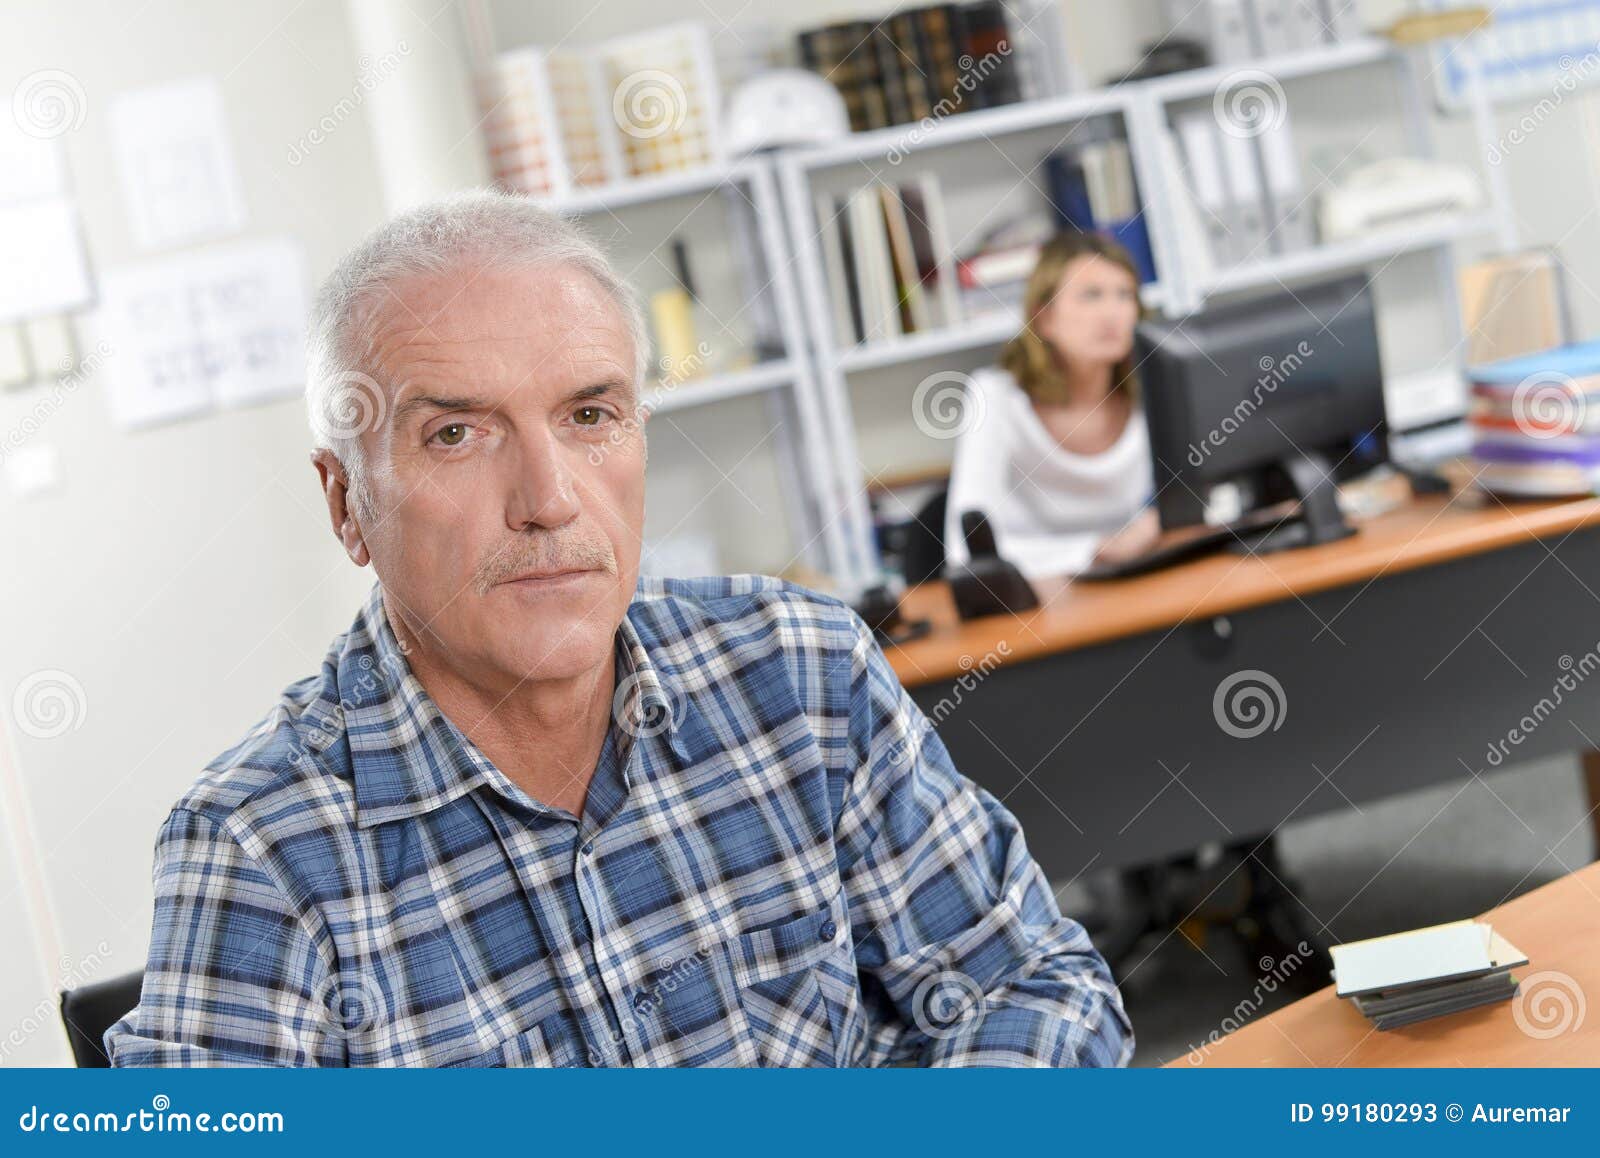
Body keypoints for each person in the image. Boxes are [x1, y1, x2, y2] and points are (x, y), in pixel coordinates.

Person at [104, 190, 1133, 1068]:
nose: (549, 500)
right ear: (346, 505)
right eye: (456, 434)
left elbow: (1034, 984)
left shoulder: (798, 673)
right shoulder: (257, 849)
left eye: (590, 415)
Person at [944, 231, 1161, 579]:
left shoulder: (1154, 389)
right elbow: (962, 550)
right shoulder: (995, 396)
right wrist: (1094, 550)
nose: (1113, 313)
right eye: (1091, 296)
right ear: (1044, 317)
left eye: (1125, 295)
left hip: (1137, 583)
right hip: (1036, 600)